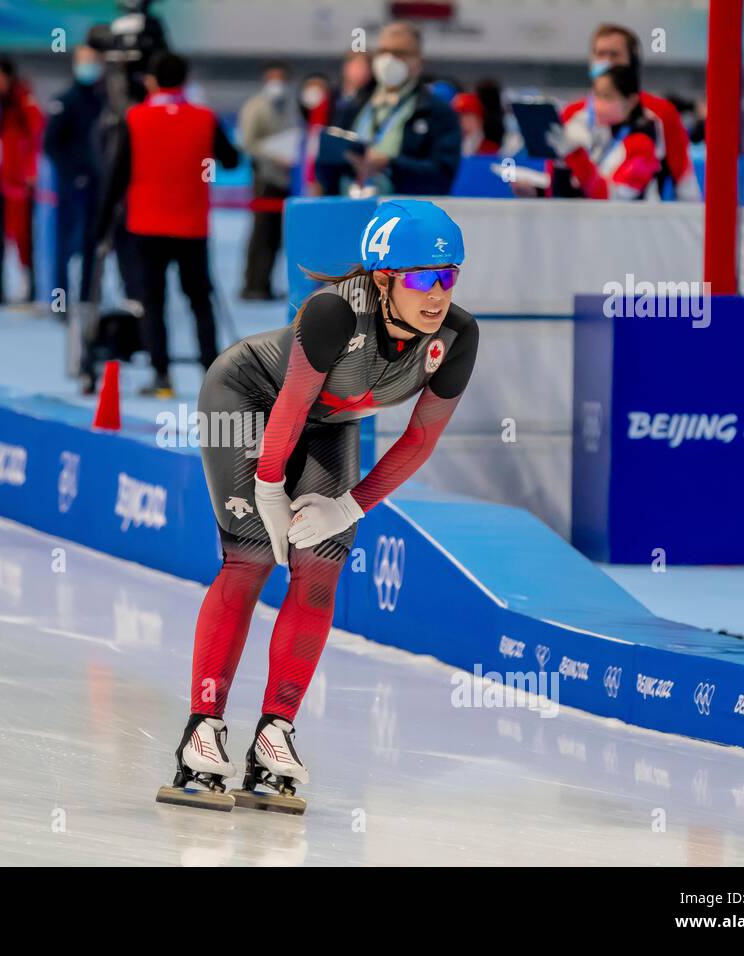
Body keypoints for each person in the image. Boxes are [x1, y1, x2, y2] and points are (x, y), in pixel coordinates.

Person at [159, 200, 478, 808]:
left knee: (320, 570)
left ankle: (274, 731)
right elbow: (287, 409)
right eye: (421, 278)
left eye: (448, 276)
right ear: (383, 280)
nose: (437, 294)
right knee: (250, 557)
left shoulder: (458, 336)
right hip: (247, 400)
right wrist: (271, 491)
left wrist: (349, 508)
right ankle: (203, 728)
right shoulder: (333, 312)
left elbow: (418, 440)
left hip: (332, 421)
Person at [97, 52, 240, 398]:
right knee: (199, 301)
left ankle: (162, 375)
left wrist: (100, 223)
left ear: (151, 80)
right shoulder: (204, 118)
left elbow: (118, 175)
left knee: (153, 301)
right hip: (191, 226)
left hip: (147, 226)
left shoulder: (135, 118)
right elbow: (232, 160)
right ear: (185, 80)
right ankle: (213, 373)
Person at [317, 21, 461, 198]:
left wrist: (389, 165)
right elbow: (327, 168)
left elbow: (442, 177)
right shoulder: (356, 105)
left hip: (401, 214)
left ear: (418, 61)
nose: (389, 59)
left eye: (399, 53)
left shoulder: (437, 112)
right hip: (350, 206)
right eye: (383, 52)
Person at [559, 23, 698, 200]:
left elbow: (684, 176)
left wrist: (695, 222)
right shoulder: (571, 113)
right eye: (601, 54)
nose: (607, 61)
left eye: (614, 54)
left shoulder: (661, 112)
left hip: (635, 214)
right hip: (579, 217)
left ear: (632, 62)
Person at [43, 40, 107, 311]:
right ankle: (60, 301)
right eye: (84, 60)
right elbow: (51, 144)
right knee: (65, 246)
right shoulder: (65, 101)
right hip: (71, 187)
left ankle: (88, 298)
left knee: (94, 245)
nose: (88, 66)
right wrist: (73, 173)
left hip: (101, 186)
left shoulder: (107, 102)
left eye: (93, 60)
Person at [0, 56, 43, 305]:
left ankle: (31, 286)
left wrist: (30, 171)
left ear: (7, 76)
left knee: (23, 235)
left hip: (18, 178)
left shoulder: (23, 100)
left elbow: (37, 137)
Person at [545, 65, 661, 200]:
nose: (598, 104)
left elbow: (611, 198)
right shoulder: (601, 136)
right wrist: (561, 164)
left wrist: (576, 155)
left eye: (607, 96)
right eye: (596, 95)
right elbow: (576, 194)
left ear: (631, 101)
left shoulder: (642, 146)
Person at [237, 61, 295, 300]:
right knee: (261, 233)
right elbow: (248, 142)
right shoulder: (255, 106)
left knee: (275, 236)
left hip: (286, 179)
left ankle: (266, 283)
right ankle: (253, 283)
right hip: (264, 176)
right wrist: (273, 153)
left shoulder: (290, 106)